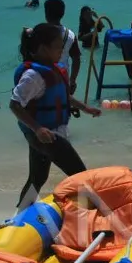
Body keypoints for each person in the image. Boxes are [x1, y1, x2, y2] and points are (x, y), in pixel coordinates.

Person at [10, 23, 101, 211]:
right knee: (80, 175)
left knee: (37, 178)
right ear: (43, 48)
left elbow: (61, 95)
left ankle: (20, 215)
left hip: (44, 135)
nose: (61, 51)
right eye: (58, 47)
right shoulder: (33, 76)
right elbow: (15, 104)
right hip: (46, 135)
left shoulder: (51, 70)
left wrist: (84, 107)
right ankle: (96, 217)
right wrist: (38, 129)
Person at [43, 0, 81, 93]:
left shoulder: (40, 32)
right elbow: (76, 59)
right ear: (63, 14)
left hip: (41, 77)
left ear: (46, 14)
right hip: (62, 78)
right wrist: (72, 80)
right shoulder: (70, 35)